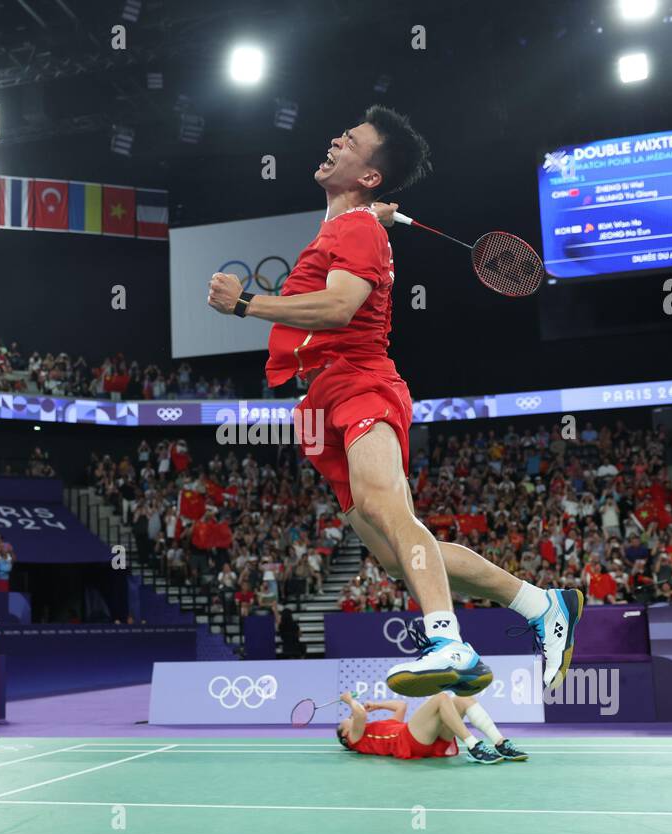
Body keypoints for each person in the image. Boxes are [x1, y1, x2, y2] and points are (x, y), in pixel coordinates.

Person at [206, 105, 581, 697]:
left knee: (390, 511)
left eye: (350, 139)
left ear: (371, 175)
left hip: (359, 382)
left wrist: (246, 303)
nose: (334, 138)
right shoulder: (350, 224)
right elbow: (344, 234)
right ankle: (542, 604)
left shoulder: (357, 228)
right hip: (321, 401)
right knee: (392, 555)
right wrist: (367, 213)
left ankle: (448, 644)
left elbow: (336, 309)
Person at [336, 690, 528, 766]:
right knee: (441, 698)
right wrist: (349, 700)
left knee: (462, 698)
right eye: (346, 720)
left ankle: (500, 743)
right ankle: (474, 747)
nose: (349, 717)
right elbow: (360, 714)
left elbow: (401, 706)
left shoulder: (378, 726)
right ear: (345, 735)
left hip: (424, 738)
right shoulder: (356, 738)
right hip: (408, 741)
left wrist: (378, 705)